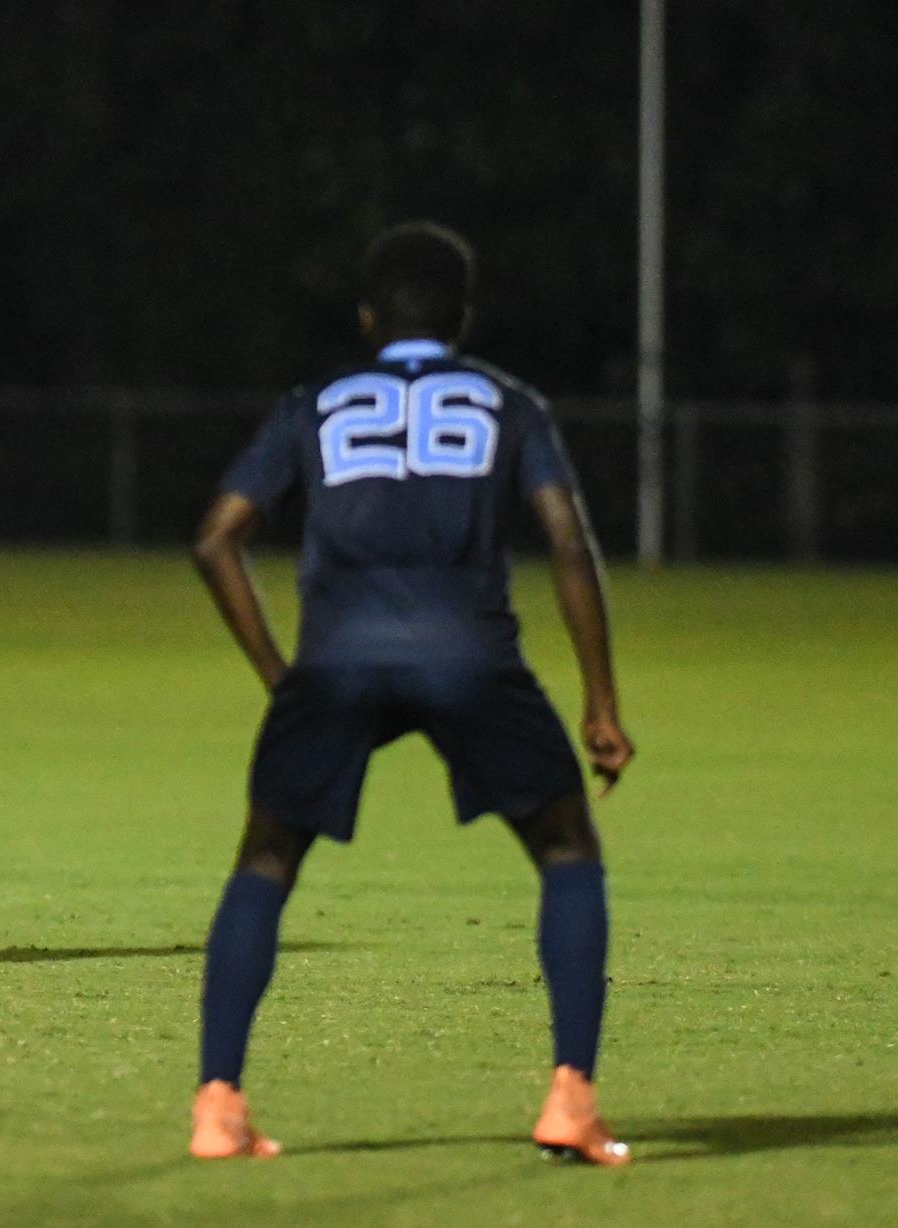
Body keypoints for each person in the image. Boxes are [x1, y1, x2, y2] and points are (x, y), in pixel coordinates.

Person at [188, 222, 635, 1164]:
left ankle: (219, 1106)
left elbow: (216, 537)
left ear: (366, 317)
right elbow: (566, 541)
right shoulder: (510, 402)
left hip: (339, 658)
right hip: (471, 654)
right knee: (564, 846)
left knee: (266, 857)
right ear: (463, 317)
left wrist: (284, 680)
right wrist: (599, 702)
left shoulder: (313, 401)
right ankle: (571, 1101)